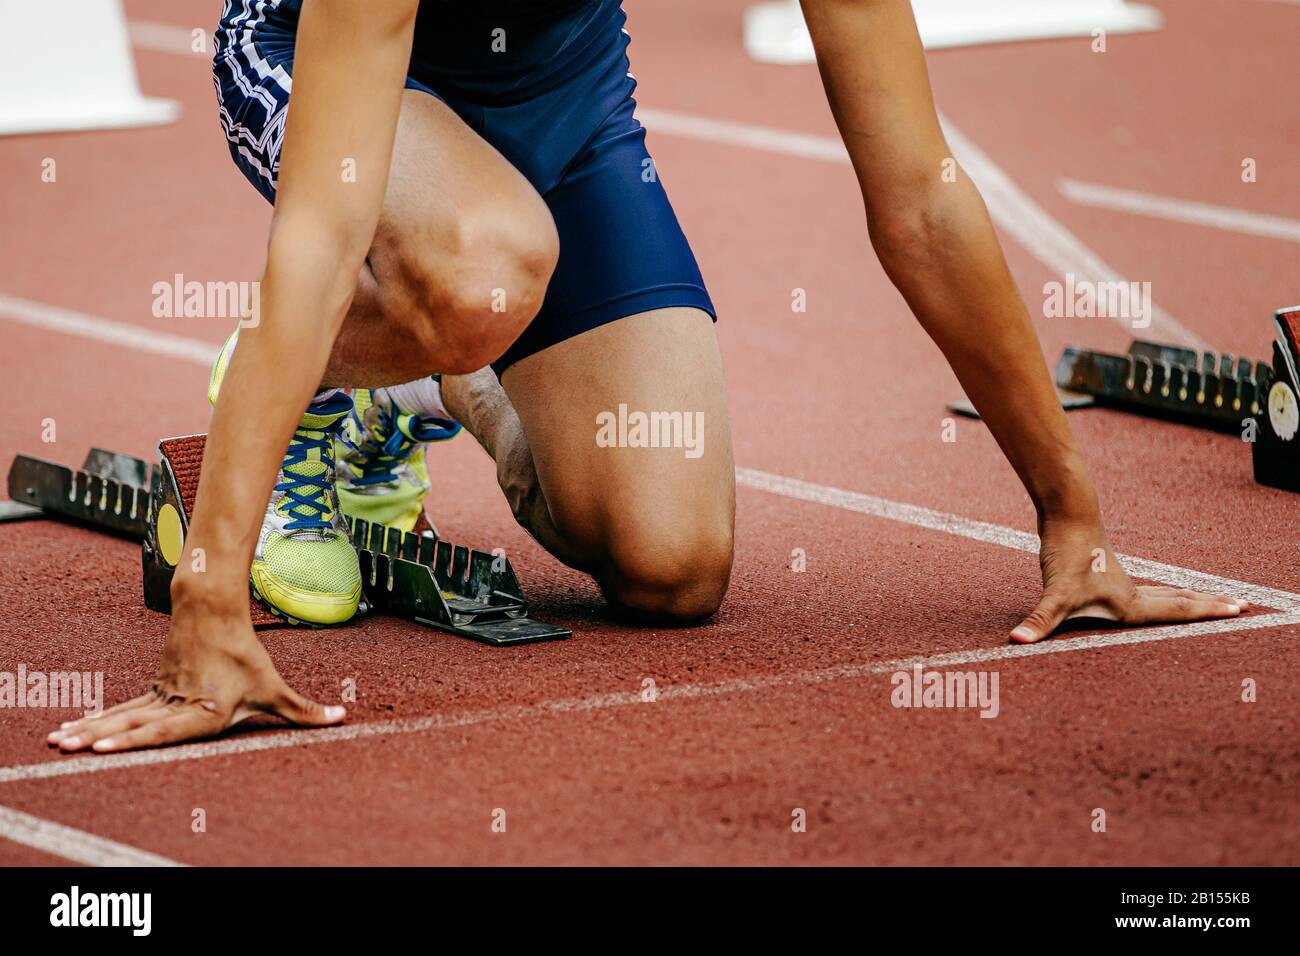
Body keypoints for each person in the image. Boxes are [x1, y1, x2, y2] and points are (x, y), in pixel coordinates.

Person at [47, 0, 1242, 755]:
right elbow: (315, 239)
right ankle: (326, 379)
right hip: (337, 72)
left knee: (671, 567)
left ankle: (416, 377)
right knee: (476, 275)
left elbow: (922, 198)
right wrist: (206, 604)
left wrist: (1072, 520)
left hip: (565, 104)